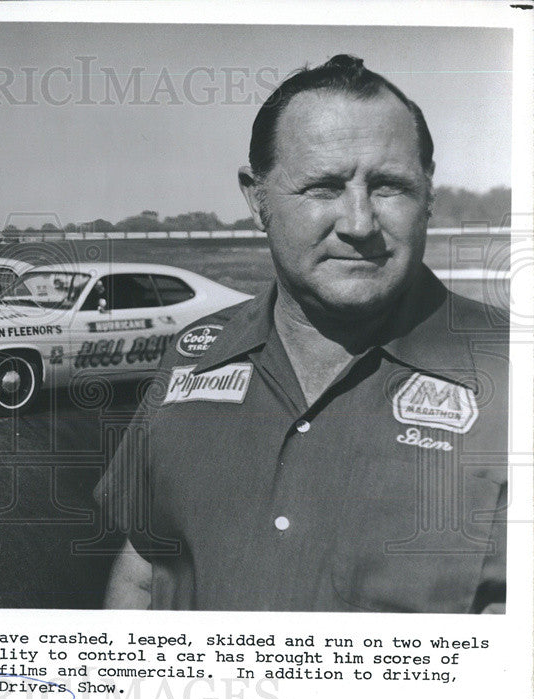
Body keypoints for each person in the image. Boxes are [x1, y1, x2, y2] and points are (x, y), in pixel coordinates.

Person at [97, 54, 507, 613]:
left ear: (428, 196)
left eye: (389, 186)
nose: (359, 223)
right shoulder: (192, 357)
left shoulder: (514, 373)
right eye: (323, 188)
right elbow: (142, 574)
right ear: (256, 198)